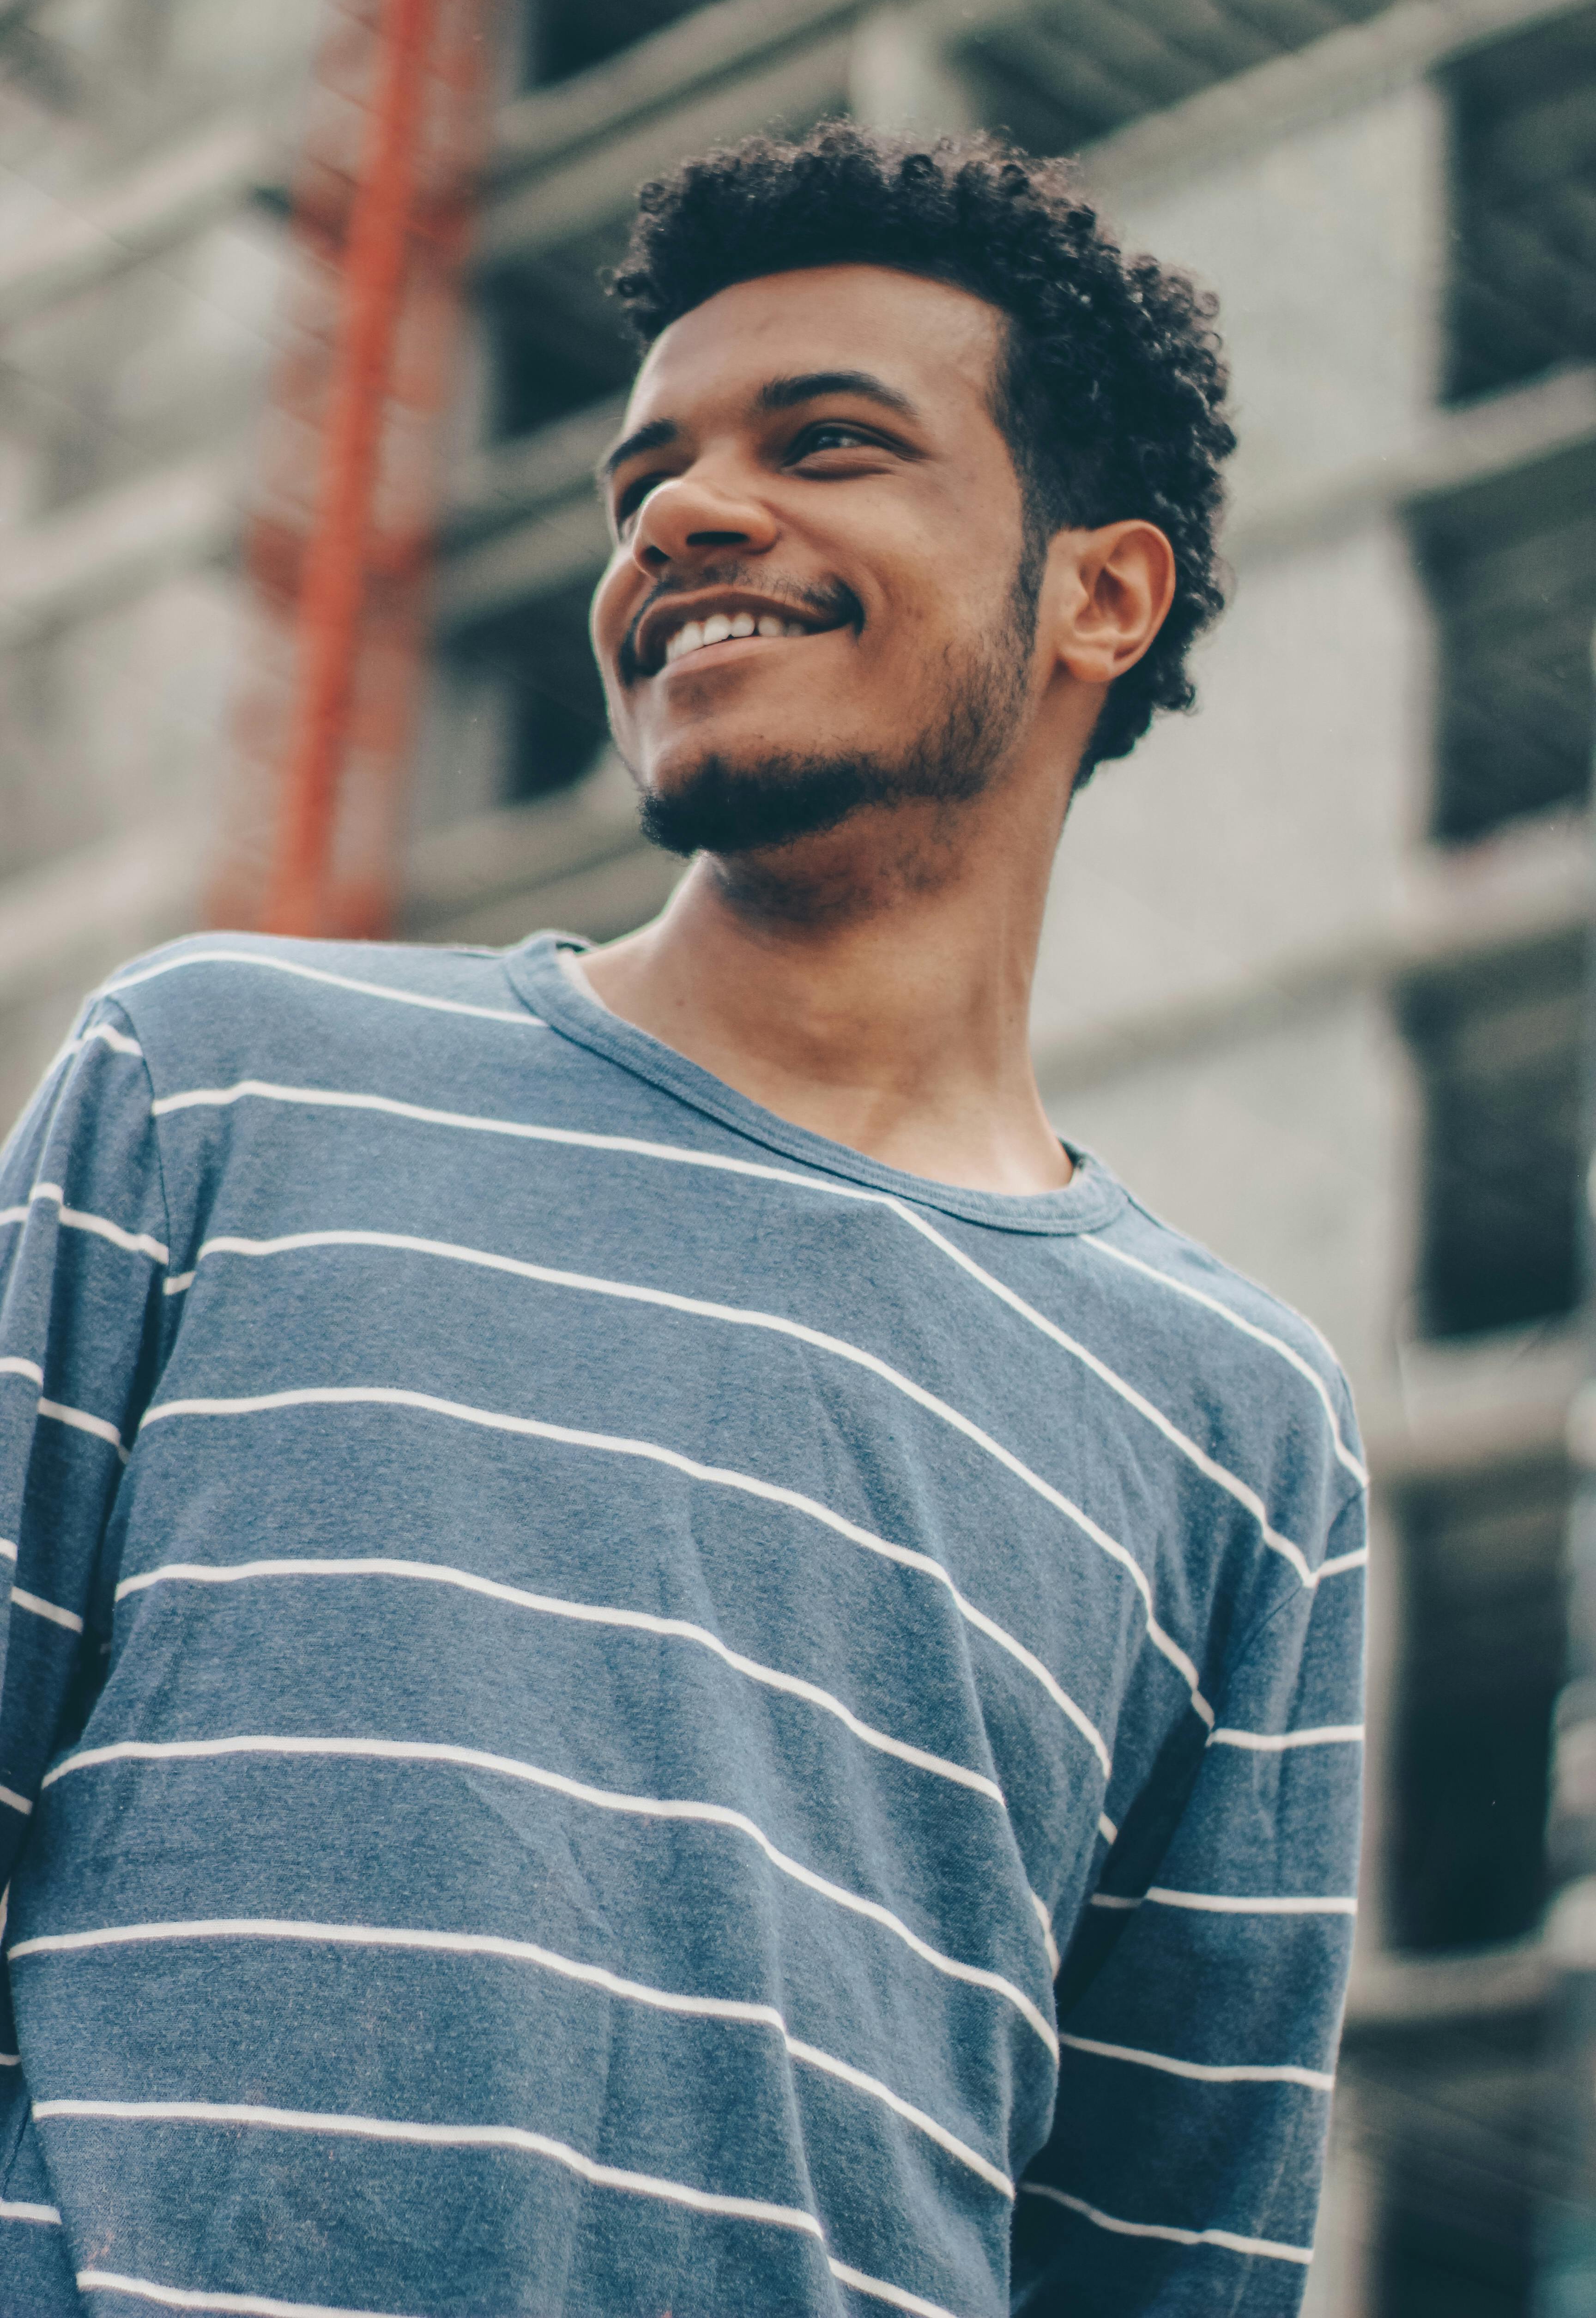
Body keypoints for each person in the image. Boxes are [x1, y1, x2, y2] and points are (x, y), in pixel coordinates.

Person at [0, 126, 1365, 2318]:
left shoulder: (1239, 1428)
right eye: (647, 476)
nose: (682, 518)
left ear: (1102, 595)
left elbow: (1172, 2243)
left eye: (828, 446)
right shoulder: (220, 1082)